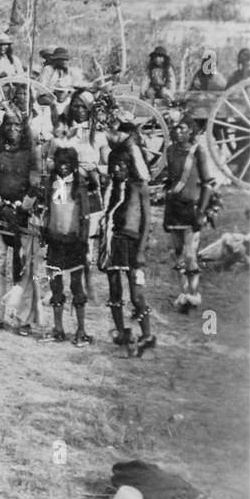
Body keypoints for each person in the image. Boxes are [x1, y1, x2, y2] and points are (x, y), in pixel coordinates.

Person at [0, 109, 38, 332]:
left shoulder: (31, 152)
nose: (13, 128)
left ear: (23, 129)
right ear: (3, 127)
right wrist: (0, 205)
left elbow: (35, 184)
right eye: (9, 124)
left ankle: (23, 321)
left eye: (17, 125)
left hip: (24, 216)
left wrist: (21, 207)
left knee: (24, 269)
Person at [39, 145, 98, 345]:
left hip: (74, 242)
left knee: (76, 284)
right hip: (55, 241)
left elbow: (86, 216)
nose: (63, 168)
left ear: (72, 165)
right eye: (60, 164)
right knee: (56, 284)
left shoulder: (79, 185)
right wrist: (44, 230)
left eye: (67, 164)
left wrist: (83, 242)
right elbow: (47, 209)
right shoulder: (51, 183)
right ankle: (58, 328)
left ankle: (81, 330)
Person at [98, 142, 153, 357]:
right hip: (113, 243)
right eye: (114, 165)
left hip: (132, 244)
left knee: (137, 294)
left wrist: (141, 250)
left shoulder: (140, 187)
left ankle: (147, 336)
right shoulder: (110, 188)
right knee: (114, 291)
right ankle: (122, 334)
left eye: (122, 165)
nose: (117, 169)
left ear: (130, 165)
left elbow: (147, 221)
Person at [161, 114, 214, 314]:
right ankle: (183, 294)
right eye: (175, 128)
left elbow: (208, 184)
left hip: (191, 209)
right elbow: (171, 179)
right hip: (173, 208)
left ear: (191, 131)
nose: (178, 131)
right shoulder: (170, 151)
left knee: (190, 254)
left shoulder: (198, 151)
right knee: (178, 255)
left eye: (182, 128)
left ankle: (193, 293)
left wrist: (201, 212)